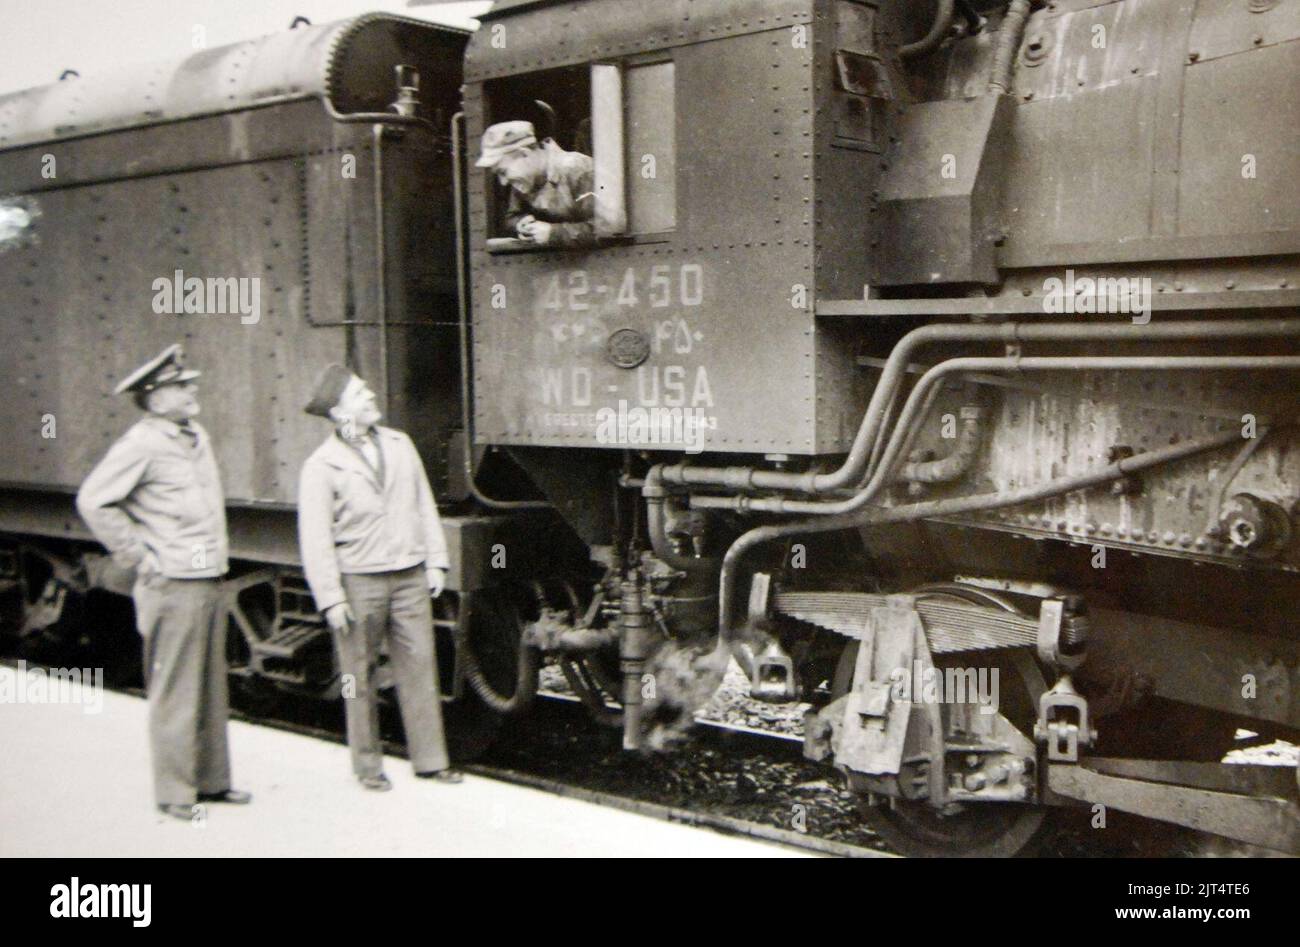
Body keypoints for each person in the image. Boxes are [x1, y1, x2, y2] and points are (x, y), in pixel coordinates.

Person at [76, 344, 250, 821]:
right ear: (155, 400)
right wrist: (137, 554)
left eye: (189, 383)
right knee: (175, 690)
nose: (192, 390)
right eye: (180, 386)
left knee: (211, 688)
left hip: (207, 576)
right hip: (172, 582)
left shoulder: (194, 436)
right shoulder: (141, 443)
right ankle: (175, 794)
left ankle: (213, 782)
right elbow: (94, 500)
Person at [297, 364, 462, 790]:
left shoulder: (400, 444)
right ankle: (367, 766)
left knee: (421, 667)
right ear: (339, 413)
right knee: (357, 674)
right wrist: (331, 598)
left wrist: (436, 560)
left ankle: (431, 761)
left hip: (408, 575)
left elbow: (425, 504)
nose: (371, 397)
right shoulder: (321, 466)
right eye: (360, 394)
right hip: (359, 582)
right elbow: (315, 539)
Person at [477, 119, 597, 248]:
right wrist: (521, 224)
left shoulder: (578, 169)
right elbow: (513, 216)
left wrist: (554, 233)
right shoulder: (524, 180)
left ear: (525, 154)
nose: (503, 182)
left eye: (503, 171)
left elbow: (607, 229)